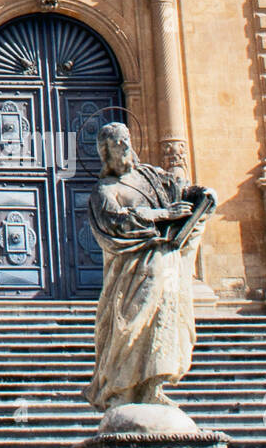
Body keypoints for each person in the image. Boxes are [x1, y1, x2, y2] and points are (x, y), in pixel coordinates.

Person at [83, 122, 215, 411]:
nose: (125, 146)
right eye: (117, 143)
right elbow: (114, 222)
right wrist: (161, 214)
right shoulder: (106, 189)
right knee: (131, 327)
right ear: (105, 153)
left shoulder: (150, 175)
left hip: (165, 264)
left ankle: (153, 386)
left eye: (126, 140)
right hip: (133, 271)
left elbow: (179, 191)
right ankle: (120, 387)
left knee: (163, 323)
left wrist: (202, 197)